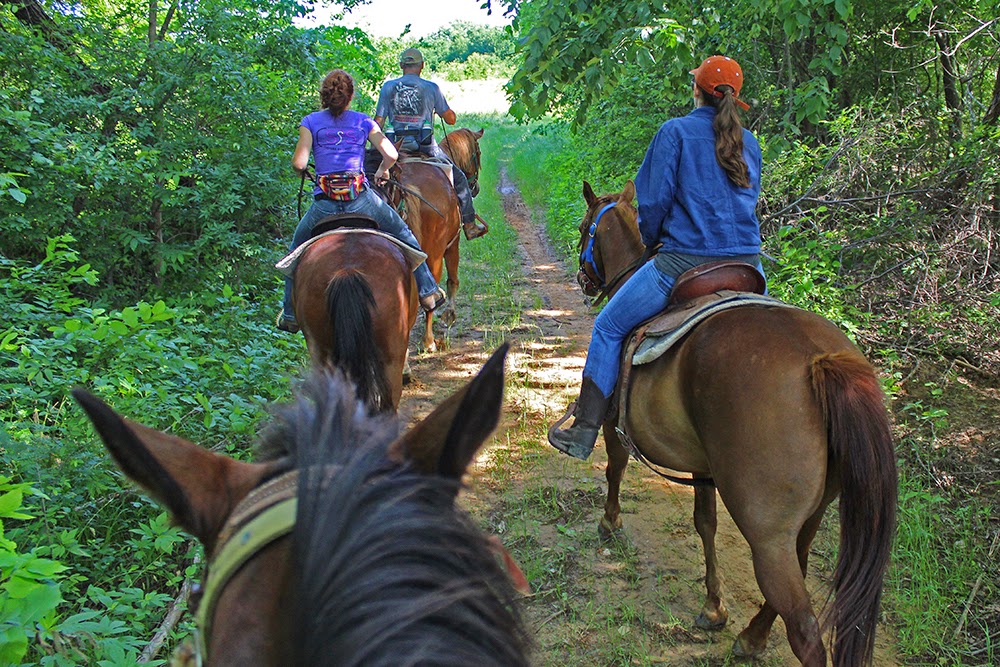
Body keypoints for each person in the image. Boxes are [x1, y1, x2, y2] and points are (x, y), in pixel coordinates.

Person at [548, 55, 764, 459]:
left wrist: (650, 241)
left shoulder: (675, 133)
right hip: (748, 267)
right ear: (737, 99)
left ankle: (584, 431)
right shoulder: (749, 143)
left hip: (684, 264)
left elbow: (653, 202)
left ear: (696, 90)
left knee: (609, 327)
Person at [277, 69, 446, 333]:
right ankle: (427, 290)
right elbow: (389, 153)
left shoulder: (309, 122)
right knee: (404, 234)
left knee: (294, 253)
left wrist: (303, 170)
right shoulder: (364, 122)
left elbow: (299, 162)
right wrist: (382, 170)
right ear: (349, 96)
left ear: (324, 96)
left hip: (324, 205)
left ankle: (289, 313)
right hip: (360, 200)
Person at [374, 47, 488, 240]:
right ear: (422, 66)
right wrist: (442, 111)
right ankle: (469, 224)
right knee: (459, 178)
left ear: (402, 65)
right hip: (425, 146)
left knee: (371, 179)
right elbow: (450, 119)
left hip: (394, 147)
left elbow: (378, 122)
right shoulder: (431, 87)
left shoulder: (388, 87)